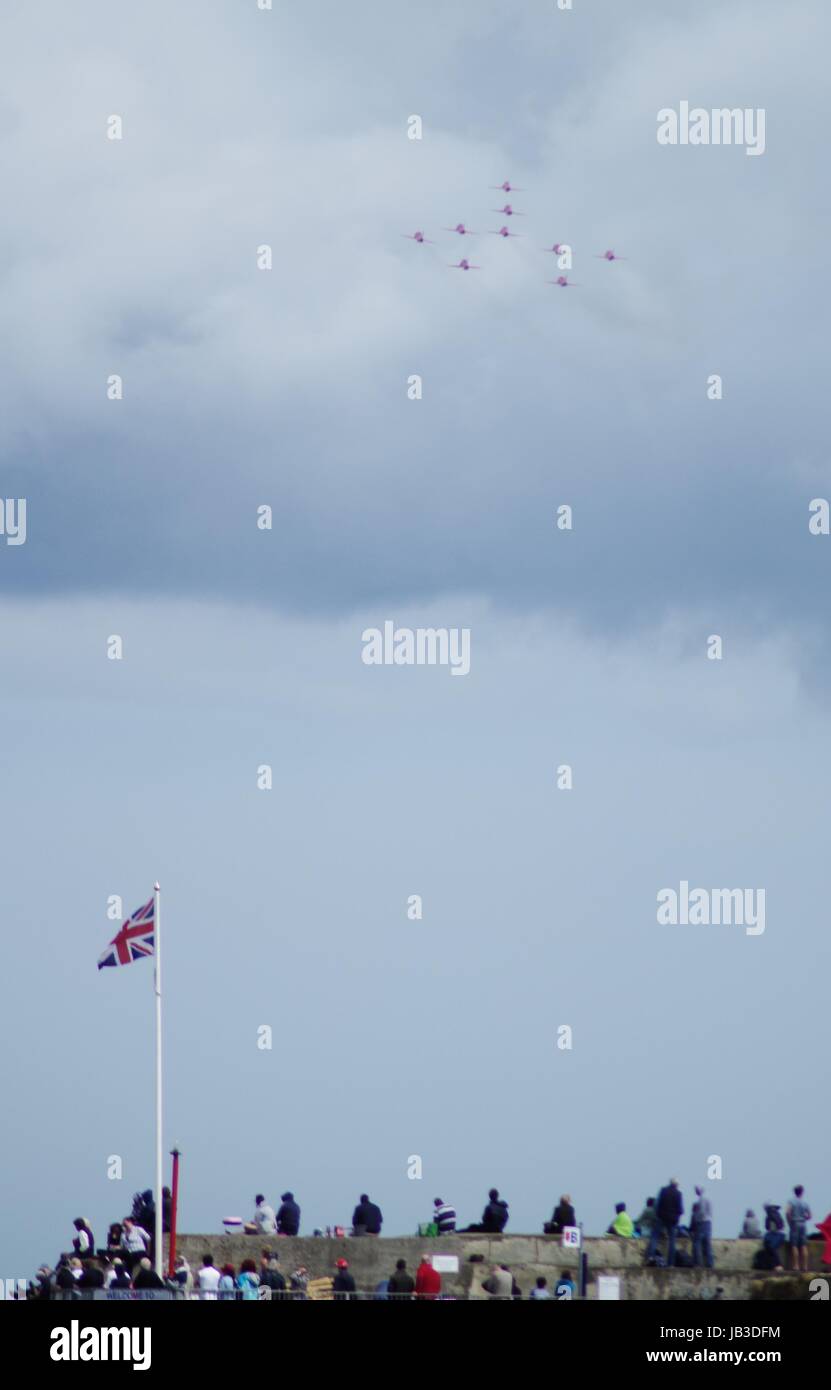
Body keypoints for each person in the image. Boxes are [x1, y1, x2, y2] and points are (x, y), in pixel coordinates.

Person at [647, 1179, 683, 1267]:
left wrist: (658, 1214)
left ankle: (650, 1257)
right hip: (672, 1220)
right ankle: (671, 1263)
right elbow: (680, 1209)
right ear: (676, 1185)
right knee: (672, 1241)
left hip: (661, 1217)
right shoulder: (678, 1194)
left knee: (654, 1237)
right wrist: (676, 1218)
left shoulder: (663, 1190)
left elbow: (657, 1204)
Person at [786, 1185, 812, 1272]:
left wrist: (790, 1222)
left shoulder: (791, 1202)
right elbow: (810, 1216)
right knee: (803, 1245)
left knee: (794, 1245)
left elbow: (787, 1213)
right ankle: (805, 1266)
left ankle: (796, 1266)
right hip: (803, 1224)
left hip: (795, 1223)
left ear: (794, 1192)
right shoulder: (805, 1203)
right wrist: (804, 1218)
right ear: (802, 1192)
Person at [690, 1186, 714, 1269]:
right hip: (708, 1222)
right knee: (707, 1244)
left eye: (696, 1190)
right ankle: (710, 1263)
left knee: (697, 1243)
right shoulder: (708, 1197)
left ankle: (698, 1263)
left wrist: (696, 1219)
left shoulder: (702, 1199)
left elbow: (702, 1212)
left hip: (702, 1223)